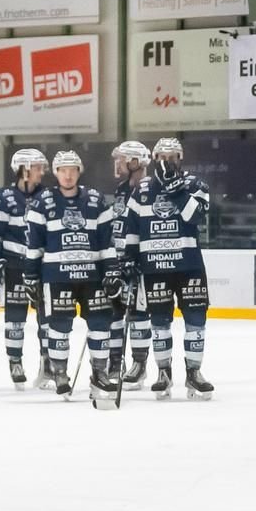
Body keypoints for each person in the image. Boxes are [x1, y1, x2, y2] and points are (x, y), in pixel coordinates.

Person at [22, 149, 123, 407]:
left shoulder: (96, 200)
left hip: (92, 278)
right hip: (56, 279)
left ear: (79, 171)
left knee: (101, 325)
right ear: (55, 172)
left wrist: (112, 271)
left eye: (72, 170)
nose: (68, 175)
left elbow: (106, 242)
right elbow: (34, 246)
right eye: (63, 170)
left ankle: (99, 375)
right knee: (59, 327)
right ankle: (59, 373)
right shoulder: (42, 202)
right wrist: (30, 276)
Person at [123, 137, 215, 400]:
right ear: (154, 159)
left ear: (180, 158)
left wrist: (175, 189)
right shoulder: (141, 189)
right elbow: (132, 227)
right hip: (155, 269)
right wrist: (129, 258)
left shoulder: (195, 184)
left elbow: (195, 217)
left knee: (196, 322)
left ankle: (194, 372)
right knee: (159, 323)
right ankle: (163, 373)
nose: (168, 161)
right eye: (163, 157)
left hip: (189, 267)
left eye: (173, 156)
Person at [0, 147, 47, 390]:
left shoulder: (48, 196)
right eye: (38, 167)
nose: (42, 172)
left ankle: (48, 364)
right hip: (14, 266)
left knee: (47, 319)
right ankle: (15, 361)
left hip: (41, 268)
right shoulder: (3, 197)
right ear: (25, 169)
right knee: (15, 317)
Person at [109, 141, 153, 389]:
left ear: (136, 162)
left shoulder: (150, 189)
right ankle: (116, 363)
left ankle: (139, 364)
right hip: (118, 260)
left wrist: (136, 255)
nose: (118, 164)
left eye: (123, 159)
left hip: (140, 261)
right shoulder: (121, 189)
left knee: (138, 314)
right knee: (115, 311)